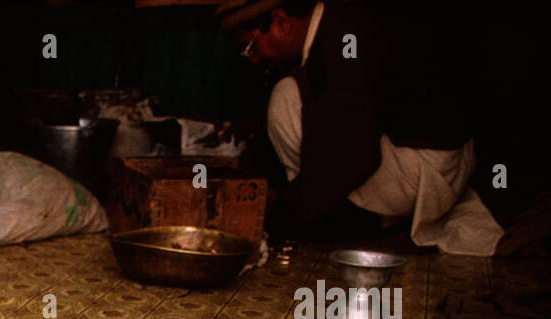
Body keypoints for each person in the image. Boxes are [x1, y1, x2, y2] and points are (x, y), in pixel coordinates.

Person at [216, 0, 505, 255]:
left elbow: (356, 157)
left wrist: (282, 210)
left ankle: (348, 220)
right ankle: (333, 213)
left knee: (286, 98)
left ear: (281, 22)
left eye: (251, 46)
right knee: (295, 98)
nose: (253, 58)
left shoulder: (346, 38)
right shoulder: (337, 23)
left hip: (427, 170)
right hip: (432, 161)